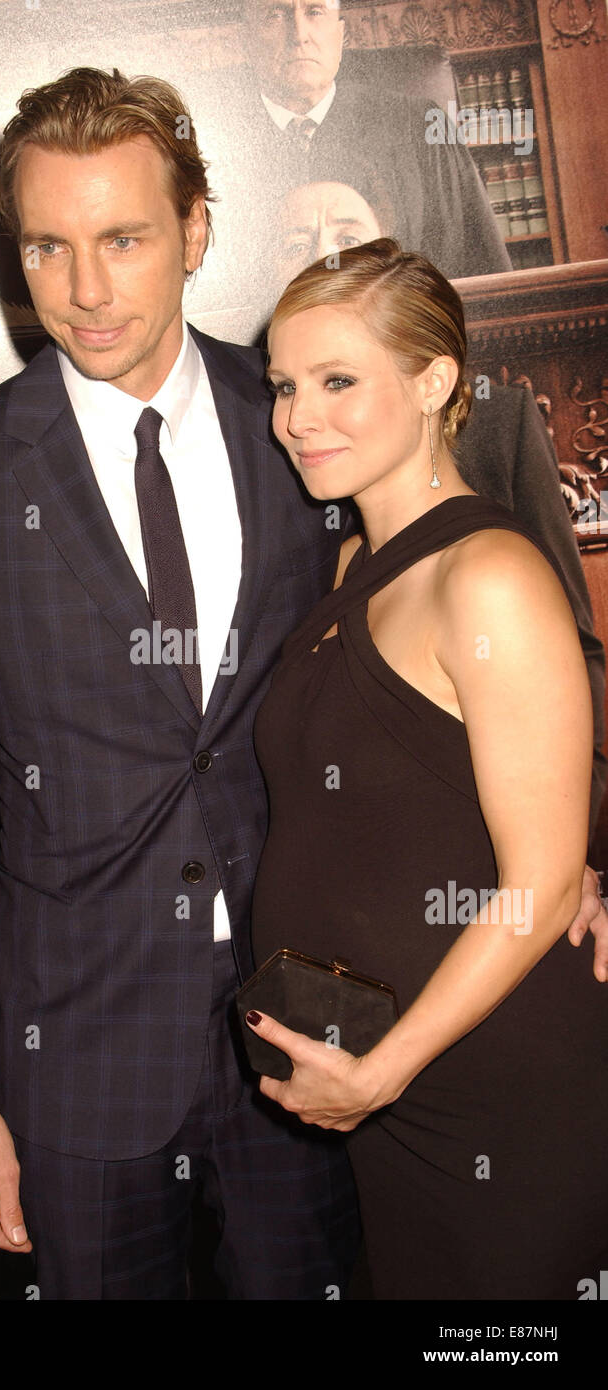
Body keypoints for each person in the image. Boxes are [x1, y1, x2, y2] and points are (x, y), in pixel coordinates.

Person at [0, 68, 607, 1302]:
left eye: (125, 239)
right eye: (48, 245)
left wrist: (581, 857)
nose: (86, 289)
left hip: (319, 1045)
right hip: (76, 1073)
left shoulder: (304, 429)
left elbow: (526, 666)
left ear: (198, 232)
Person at [246, 238, 608, 1298]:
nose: (296, 417)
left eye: (336, 381)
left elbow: (538, 885)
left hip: (490, 1088)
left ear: (434, 380)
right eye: (283, 386)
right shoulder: (352, 560)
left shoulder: (486, 573)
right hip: (388, 1088)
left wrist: (380, 1070)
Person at [234, 0, 511, 280]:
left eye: (315, 12)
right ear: (245, 41)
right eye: (275, 15)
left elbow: (484, 276)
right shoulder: (213, 149)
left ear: (340, 36)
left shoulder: (420, 127)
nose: (299, 35)